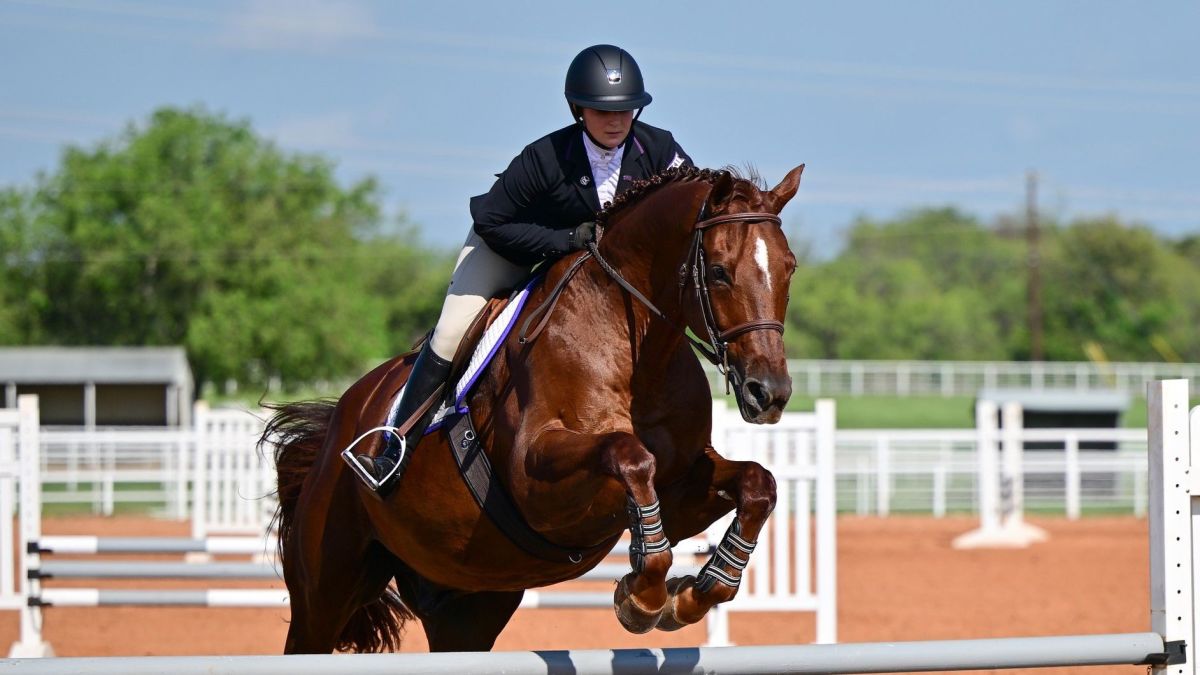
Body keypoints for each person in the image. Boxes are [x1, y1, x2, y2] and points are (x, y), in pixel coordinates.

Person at [351, 44, 693, 495]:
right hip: (508, 247)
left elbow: (694, 204)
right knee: (452, 331)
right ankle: (393, 446)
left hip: (592, 273)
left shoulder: (659, 149)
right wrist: (566, 240)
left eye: (627, 110)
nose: (616, 120)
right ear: (578, 110)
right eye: (602, 110)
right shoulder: (546, 157)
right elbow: (491, 221)